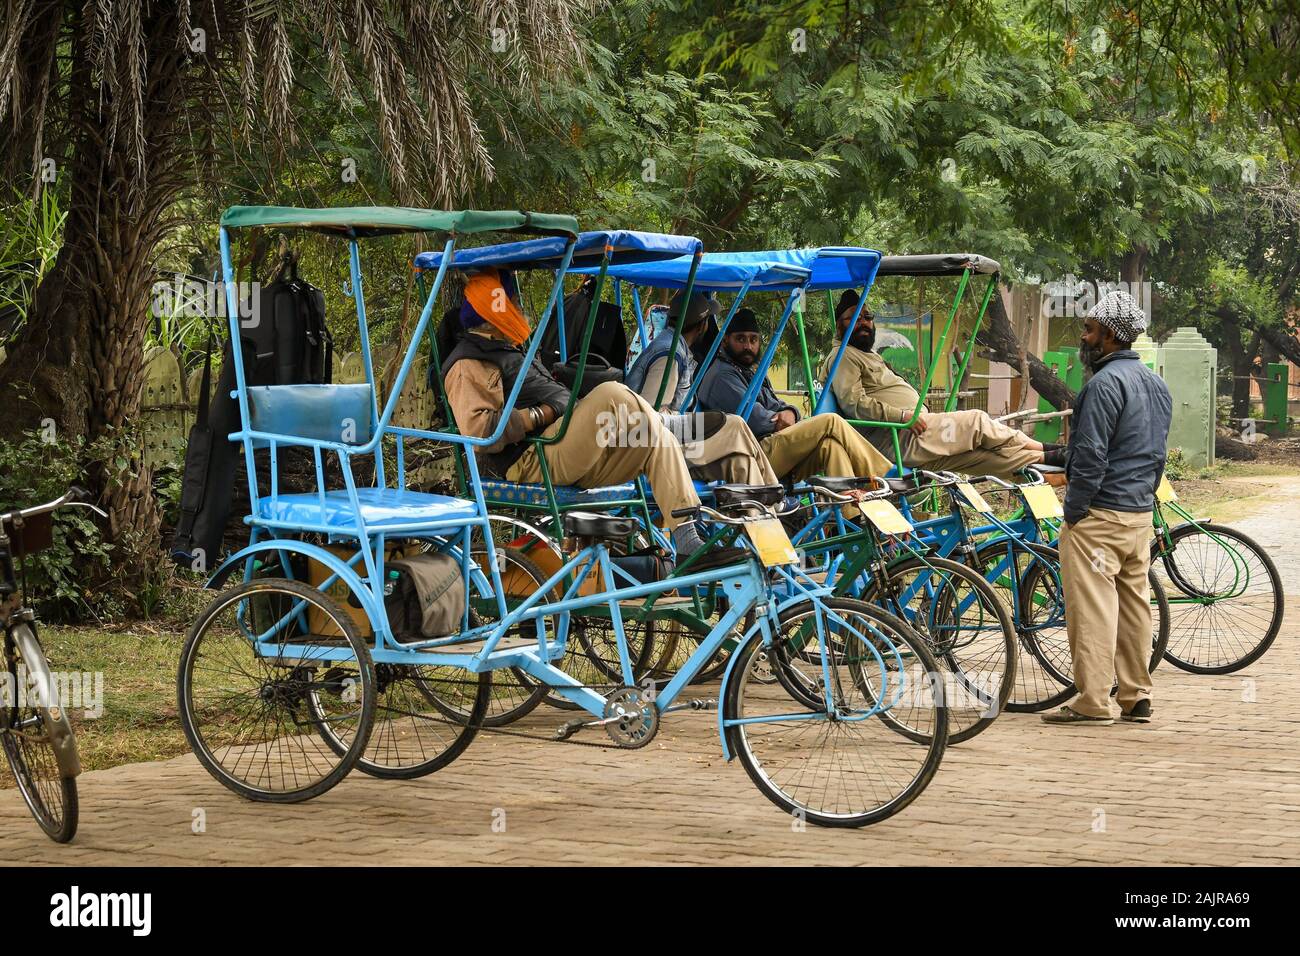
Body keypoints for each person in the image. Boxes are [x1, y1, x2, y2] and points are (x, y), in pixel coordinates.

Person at [441, 267, 716, 556]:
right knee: (613, 392)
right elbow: (480, 432)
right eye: (513, 301)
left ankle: (687, 539)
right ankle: (672, 428)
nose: (519, 308)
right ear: (496, 307)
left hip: (564, 446)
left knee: (658, 441)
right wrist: (543, 412)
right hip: (531, 459)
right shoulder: (468, 362)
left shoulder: (510, 349)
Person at [1042, 290, 1172, 726]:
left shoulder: (1101, 386)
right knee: (1135, 606)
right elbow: (1157, 454)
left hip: (1099, 516)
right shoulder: (1156, 384)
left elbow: (1092, 456)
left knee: (1094, 609)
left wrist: (1074, 512)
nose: (1084, 336)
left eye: (1090, 330)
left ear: (1111, 336)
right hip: (1137, 514)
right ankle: (1136, 696)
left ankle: (1092, 701)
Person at [818, 290, 1065, 478]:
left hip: (912, 438)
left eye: (867, 316)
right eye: (854, 318)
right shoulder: (844, 356)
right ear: (839, 324)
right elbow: (854, 404)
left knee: (982, 458)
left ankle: (1051, 462)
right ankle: (1052, 449)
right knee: (977, 421)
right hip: (896, 440)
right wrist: (903, 416)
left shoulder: (865, 353)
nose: (863, 322)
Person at [693, 308, 892, 483]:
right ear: (726, 340)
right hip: (751, 455)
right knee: (831, 421)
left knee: (830, 446)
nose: (748, 346)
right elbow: (755, 421)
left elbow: (778, 404)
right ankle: (882, 476)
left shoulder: (750, 371)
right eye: (741, 339)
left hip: (772, 447)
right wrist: (782, 419)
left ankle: (847, 518)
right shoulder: (722, 375)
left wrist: (790, 412)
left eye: (753, 340)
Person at [623, 290, 779, 487]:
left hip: (673, 441)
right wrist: (698, 424)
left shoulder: (676, 348)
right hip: (656, 449)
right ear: (702, 325)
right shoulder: (668, 355)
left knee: (740, 460)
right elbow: (652, 416)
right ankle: (773, 493)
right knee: (735, 425)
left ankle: (767, 506)